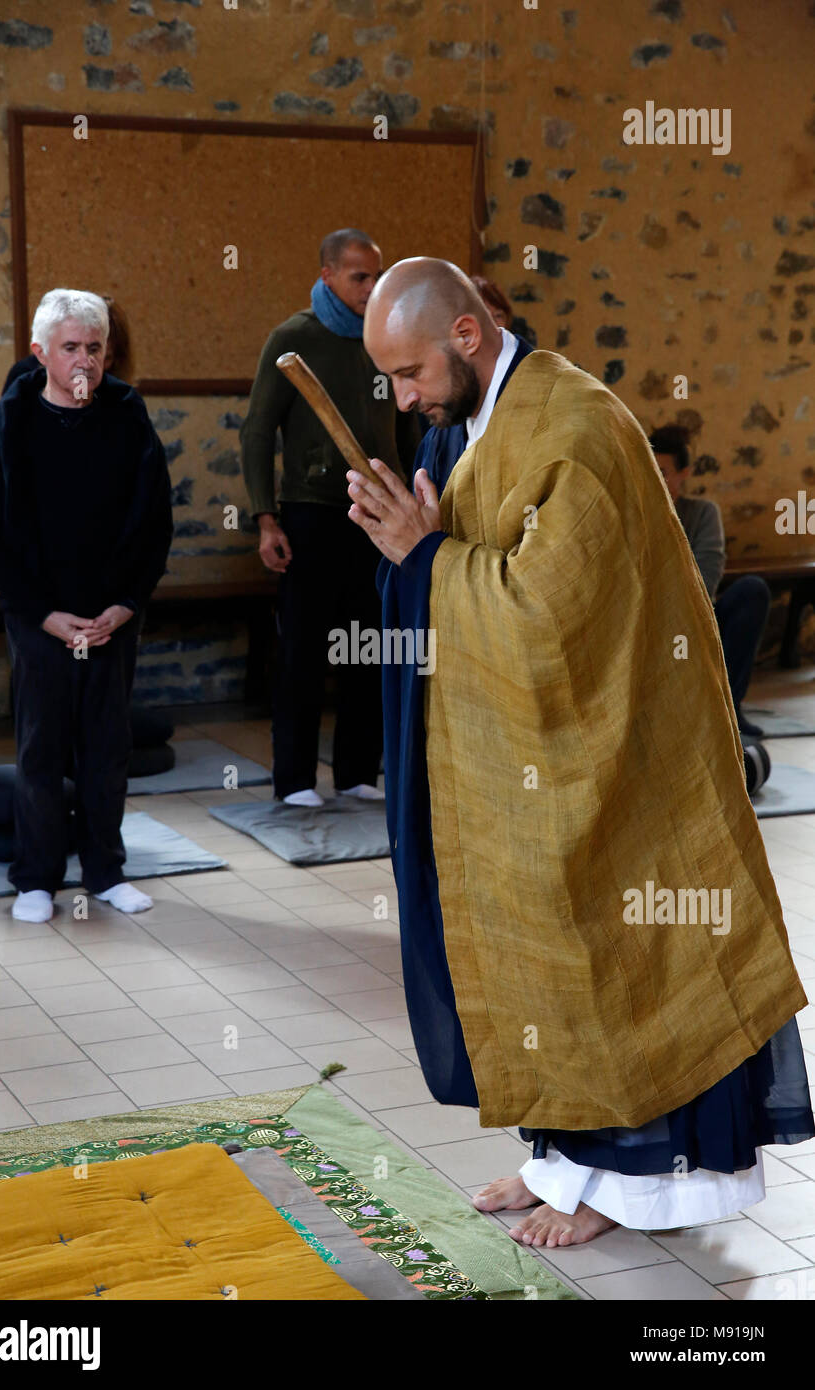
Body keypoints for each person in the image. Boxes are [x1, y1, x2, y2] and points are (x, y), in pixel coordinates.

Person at [344, 257, 813, 1247]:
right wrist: (413, 549)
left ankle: (627, 1182)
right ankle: (560, 1157)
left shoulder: (570, 423)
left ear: (464, 337)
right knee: (542, 954)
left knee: (621, 955)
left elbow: (549, 614)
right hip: (530, 751)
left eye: (410, 372)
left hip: (621, 755)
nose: (403, 396)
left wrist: (425, 558)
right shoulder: (479, 414)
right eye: (388, 378)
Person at [0, 288, 173, 924]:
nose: (84, 361)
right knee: (42, 751)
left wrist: (128, 604)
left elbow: (155, 521)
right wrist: (41, 613)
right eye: (70, 348)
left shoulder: (128, 417)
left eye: (95, 348)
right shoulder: (4, 429)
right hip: (39, 617)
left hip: (110, 618)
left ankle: (106, 870)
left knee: (106, 748)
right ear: (41, 352)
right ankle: (36, 879)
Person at [241, 228, 420, 807]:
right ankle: (294, 779)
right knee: (303, 649)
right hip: (313, 512)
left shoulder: (385, 338)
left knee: (369, 643)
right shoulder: (294, 338)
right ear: (328, 276)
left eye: (377, 275)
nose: (371, 288)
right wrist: (266, 518)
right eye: (358, 277)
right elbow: (256, 430)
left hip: (380, 513)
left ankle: (356, 772)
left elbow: (410, 424)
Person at [650, 424, 771, 739]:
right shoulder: (634, 515)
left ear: (684, 473)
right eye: (649, 470)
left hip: (697, 616)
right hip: (650, 623)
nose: (656, 479)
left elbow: (708, 575)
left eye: (663, 472)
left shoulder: (703, 514)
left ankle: (729, 709)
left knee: (752, 591)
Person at [2, 295, 134, 394]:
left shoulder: (118, 395)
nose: (87, 364)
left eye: (102, 356)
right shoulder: (25, 378)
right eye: (72, 349)